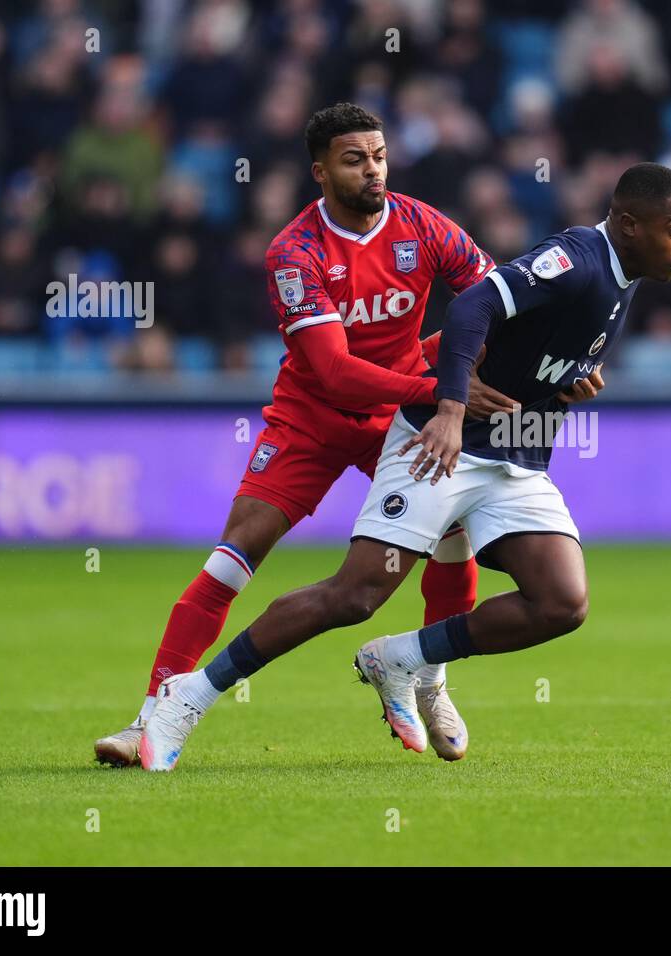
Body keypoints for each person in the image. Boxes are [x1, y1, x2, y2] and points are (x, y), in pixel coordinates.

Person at [138, 162, 671, 770]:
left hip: (516, 458)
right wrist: (450, 408)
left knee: (562, 603)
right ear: (627, 223)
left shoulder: (628, 271)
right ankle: (186, 696)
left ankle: (404, 659)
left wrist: (566, 379)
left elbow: (528, 339)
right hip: (440, 444)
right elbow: (471, 308)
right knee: (354, 596)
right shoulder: (576, 259)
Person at [94, 103, 514, 766]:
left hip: (398, 417)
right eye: (354, 159)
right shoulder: (294, 253)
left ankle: (430, 680)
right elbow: (338, 373)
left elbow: (494, 298)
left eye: (378, 155)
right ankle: (149, 718)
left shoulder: (422, 224)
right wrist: (438, 387)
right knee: (236, 552)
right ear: (320, 171)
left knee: (454, 533)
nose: (372, 170)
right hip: (311, 418)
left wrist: (546, 355)